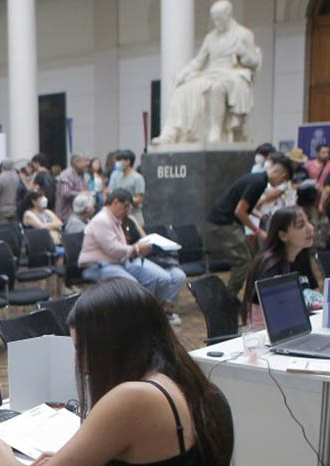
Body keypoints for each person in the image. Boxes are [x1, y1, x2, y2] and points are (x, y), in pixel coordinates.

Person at [0, 279, 237, 466]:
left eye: (81, 349)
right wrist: (72, 461)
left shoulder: (133, 398)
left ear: (113, 345)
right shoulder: (183, 381)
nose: (81, 364)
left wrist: (1, 457)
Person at [152, 0, 260, 144]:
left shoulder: (243, 34)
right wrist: (183, 74)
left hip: (233, 74)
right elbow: (198, 61)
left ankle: (215, 131)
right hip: (212, 73)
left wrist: (243, 53)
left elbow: (254, 61)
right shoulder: (211, 38)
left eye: (219, 18)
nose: (217, 22)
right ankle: (170, 132)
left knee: (216, 87)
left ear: (228, 15)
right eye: (214, 19)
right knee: (181, 91)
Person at [79, 189, 186, 324]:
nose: (127, 211)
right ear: (116, 202)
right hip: (97, 265)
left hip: (118, 262)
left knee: (153, 277)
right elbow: (113, 249)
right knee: (132, 285)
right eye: (126, 206)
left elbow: (120, 248)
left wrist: (135, 249)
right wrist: (136, 249)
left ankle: (147, 314)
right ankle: (132, 321)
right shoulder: (102, 220)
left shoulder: (113, 219)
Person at [205, 156, 293, 297]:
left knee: (249, 259)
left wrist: (260, 217)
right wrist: (258, 231)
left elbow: (245, 208)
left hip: (224, 221)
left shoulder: (258, 179)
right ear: (282, 175)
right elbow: (240, 212)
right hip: (222, 223)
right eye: (282, 180)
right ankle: (229, 298)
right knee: (243, 261)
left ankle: (242, 295)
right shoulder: (258, 182)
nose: (280, 183)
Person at [242, 206, 316, 330]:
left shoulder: (301, 255)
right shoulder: (271, 266)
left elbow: (315, 294)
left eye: (308, 221)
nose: (311, 228)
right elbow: (277, 317)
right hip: (267, 334)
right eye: (301, 225)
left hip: (298, 325)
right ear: (283, 235)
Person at [110, 150, 146, 226]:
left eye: (120, 160)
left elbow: (139, 199)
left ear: (128, 161)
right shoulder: (117, 176)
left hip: (134, 216)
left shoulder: (137, 178)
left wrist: (125, 201)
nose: (117, 163)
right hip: (119, 217)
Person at [55, 154, 90, 222]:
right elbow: (66, 193)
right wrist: (81, 193)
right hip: (67, 217)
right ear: (76, 162)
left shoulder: (82, 174)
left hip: (80, 217)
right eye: (86, 161)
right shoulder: (67, 174)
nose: (88, 163)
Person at [0, 160, 20, 224]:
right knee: (14, 230)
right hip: (15, 208)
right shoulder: (17, 177)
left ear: (2, 166)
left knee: (3, 230)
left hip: (2, 209)